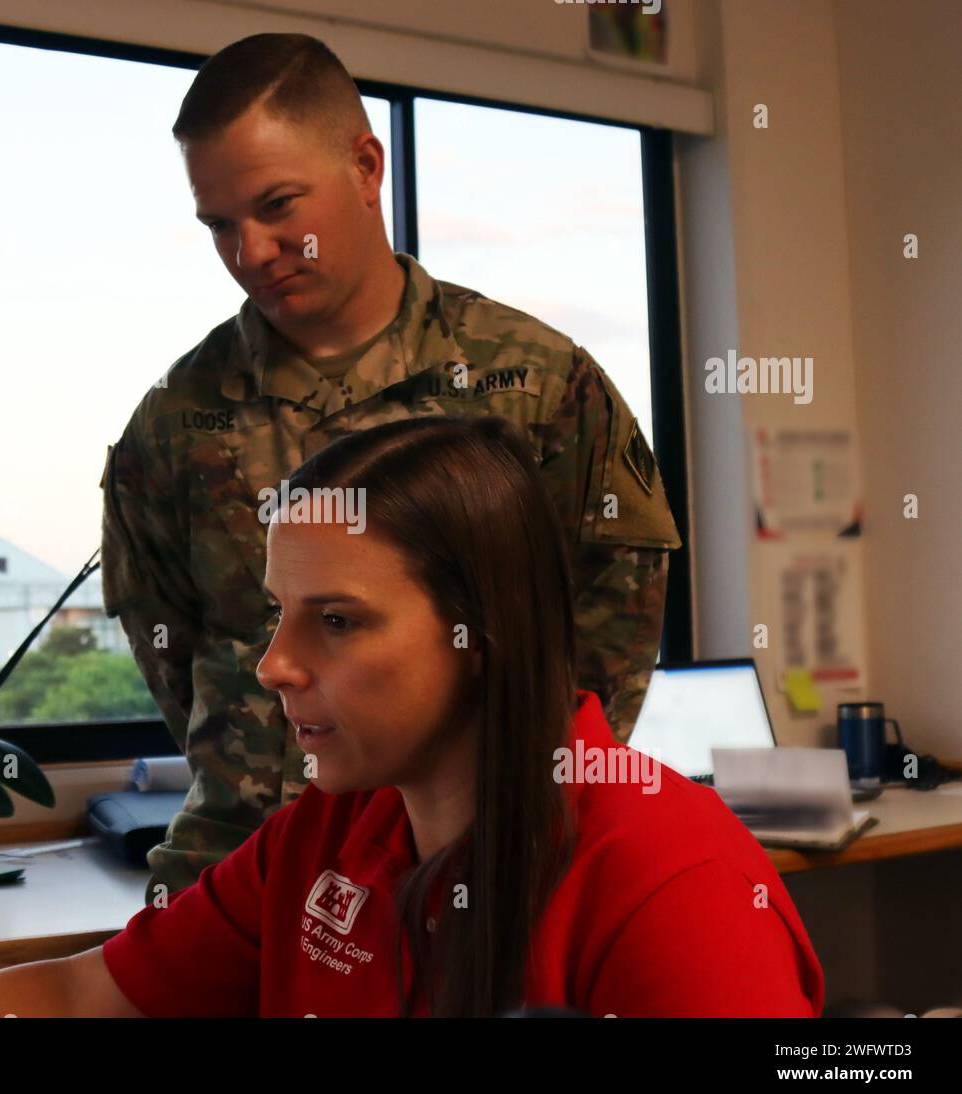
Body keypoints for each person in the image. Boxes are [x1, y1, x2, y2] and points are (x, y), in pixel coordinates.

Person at [0, 416, 818, 1018]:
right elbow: (81, 994)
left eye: (336, 620)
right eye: (276, 614)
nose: (273, 664)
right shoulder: (331, 835)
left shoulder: (672, 889)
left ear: (483, 635)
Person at [101, 32, 683, 900]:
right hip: (244, 871)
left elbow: (606, 639)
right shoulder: (177, 421)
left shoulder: (535, 385)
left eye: (277, 206)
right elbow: (175, 655)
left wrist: (497, 813)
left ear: (367, 167)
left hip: (476, 876)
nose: (251, 250)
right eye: (220, 224)